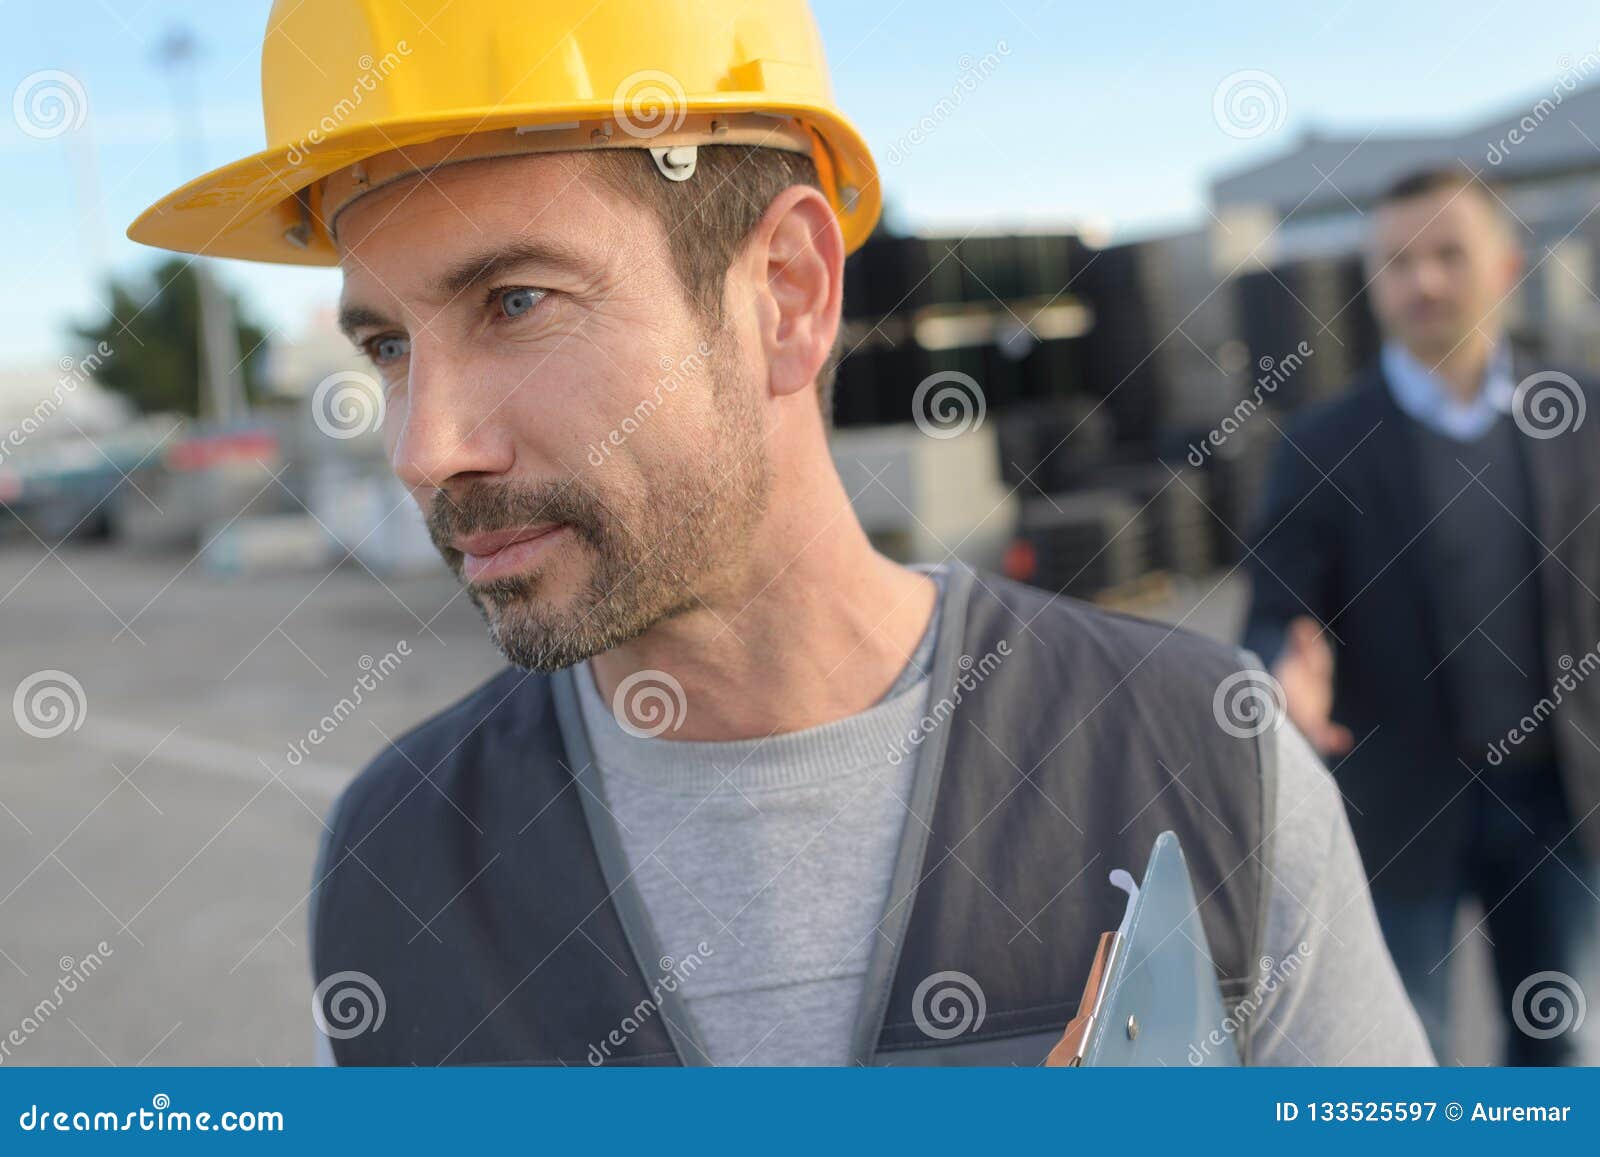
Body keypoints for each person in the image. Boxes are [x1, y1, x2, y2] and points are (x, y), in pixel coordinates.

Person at [130, 0, 1430, 1067]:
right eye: (390, 344)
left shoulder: (1204, 764)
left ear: (788, 297)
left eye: (516, 302)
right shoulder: (395, 857)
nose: (423, 445)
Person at [1244, 167, 1600, 1065]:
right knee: (1407, 1054)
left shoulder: (1582, 415)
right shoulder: (1322, 444)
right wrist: (1285, 670)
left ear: (1507, 264)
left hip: (1560, 798)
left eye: (1450, 253)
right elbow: (1273, 608)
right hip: (1401, 805)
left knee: (1558, 1043)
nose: (1426, 280)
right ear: (1373, 280)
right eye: (1399, 260)